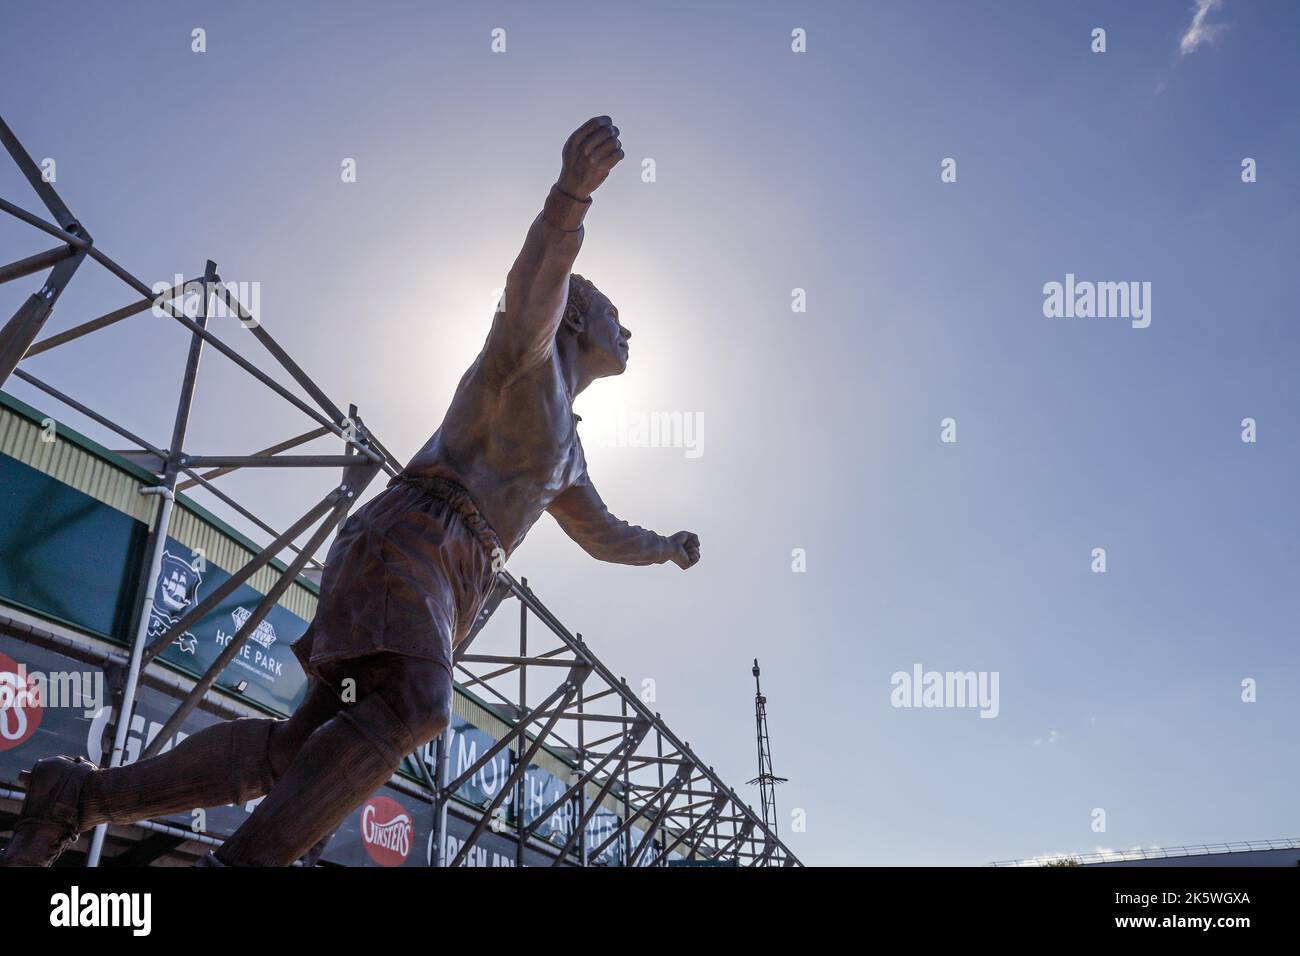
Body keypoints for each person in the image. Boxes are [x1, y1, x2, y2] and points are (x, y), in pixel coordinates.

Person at [1, 116, 700, 867]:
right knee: (418, 704)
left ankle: (77, 796)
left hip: (449, 575)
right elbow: (532, 283)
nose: (631, 335)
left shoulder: (570, 456)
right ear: (578, 319)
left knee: (297, 749)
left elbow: (604, 534)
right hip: (414, 540)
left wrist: (665, 549)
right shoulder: (524, 359)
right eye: (619, 320)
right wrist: (569, 198)